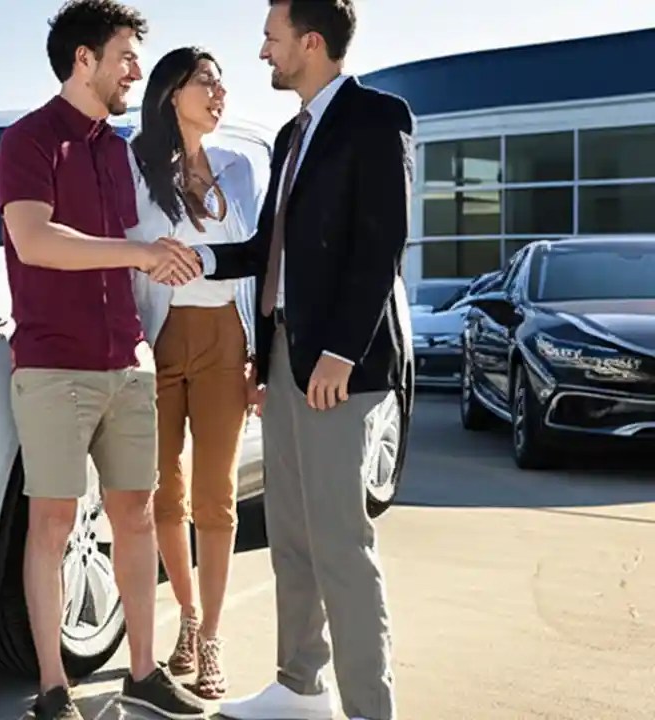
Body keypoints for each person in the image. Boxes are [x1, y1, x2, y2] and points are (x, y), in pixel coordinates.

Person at [159, 2, 415, 719]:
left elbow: (380, 244)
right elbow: (270, 253)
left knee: (340, 544)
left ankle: (370, 709)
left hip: (339, 368)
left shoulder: (376, 116)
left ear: (310, 41)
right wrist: (199, 258)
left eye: (272, 37)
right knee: (293, 537)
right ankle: (300, 687)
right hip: (285, 364)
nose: (262, 50)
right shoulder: (291, 134)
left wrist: (339, 352)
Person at [0, 2, 210, 719]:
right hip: (55, 365)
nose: (135, 71)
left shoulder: (117, 149)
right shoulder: (27, 141)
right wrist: (139, 254)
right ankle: (54, 689)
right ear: (83, 60)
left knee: (138, 516)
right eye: (124, 56)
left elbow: (144, 238)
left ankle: (142, 672)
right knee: (53, 522)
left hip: (127, 361)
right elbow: (35, 240)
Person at [123, 46, 267, 701]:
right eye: (205, 81)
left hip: (224, 339)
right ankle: (183, 614)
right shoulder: (133, 161)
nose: (218, 92)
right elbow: (123, 252)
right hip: (157, 338)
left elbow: (264, 260)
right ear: (171, 91)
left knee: (216, 494)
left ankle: (209, 636)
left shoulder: (240, 165)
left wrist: (262, 348)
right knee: (163, 493)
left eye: (221, 82)